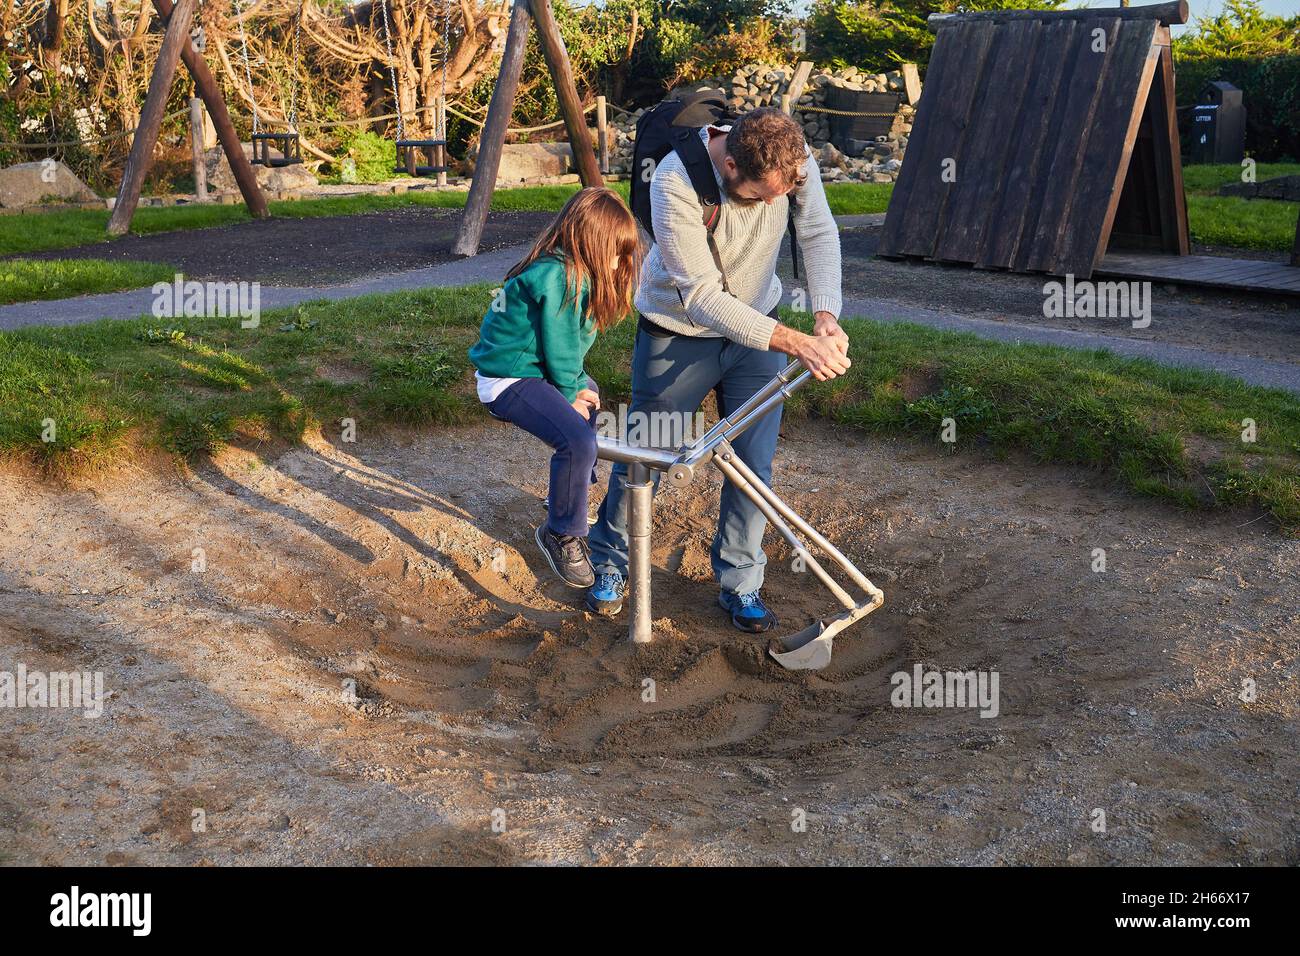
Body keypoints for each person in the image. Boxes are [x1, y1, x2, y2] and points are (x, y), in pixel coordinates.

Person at [586, 107, 851, 632]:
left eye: (785, 190)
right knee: (647, 454)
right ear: (730, 166)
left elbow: (817, 231)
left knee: (753, 465)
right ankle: (609, 562)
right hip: (678, 333)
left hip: (758, 328)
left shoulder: (791, 161)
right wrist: (793, 341)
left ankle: (741, 581)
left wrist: (824, 315)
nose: (777, 203)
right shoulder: (674, 181)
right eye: (763, 195)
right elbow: (703, 298)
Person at [469, 187, 643, 588]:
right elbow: (560, 346)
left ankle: (570, 491)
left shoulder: (570, 272)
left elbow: (567, 353)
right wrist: (568, 393)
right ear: (593, 244)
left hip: (533, 371)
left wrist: (578, 385)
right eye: (617, 251)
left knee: (592, 394)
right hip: (506, 381)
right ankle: (561, 532)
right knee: (579, 443)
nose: (621, 262)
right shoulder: (559, 276)